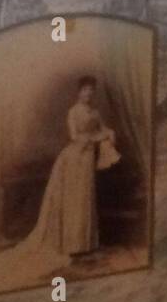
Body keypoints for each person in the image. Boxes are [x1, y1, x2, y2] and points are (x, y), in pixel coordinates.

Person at [11, 76, 118, 265]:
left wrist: (109, 133)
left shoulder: (95, 112)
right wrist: (98, 137)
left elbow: (103, 129)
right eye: (85, 89)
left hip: (87, 159)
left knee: (85, 198)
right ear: (79, 91)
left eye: (91, 90)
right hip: (73, 158)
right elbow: (74, 136)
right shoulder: (73, 112)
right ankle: (71, 245)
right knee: (73, 199)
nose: (88, 93)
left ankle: (85, 244)